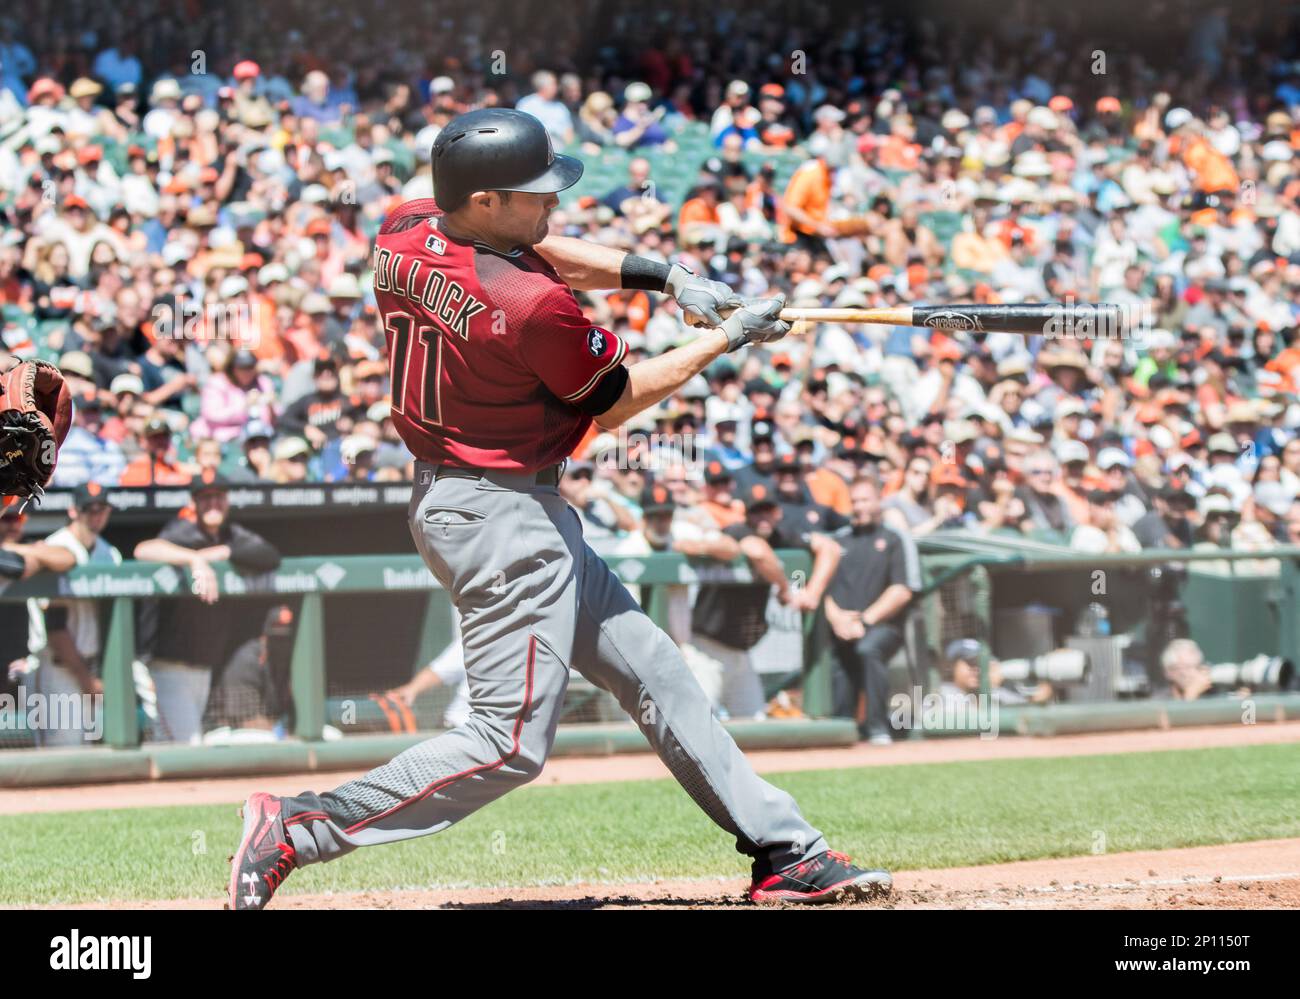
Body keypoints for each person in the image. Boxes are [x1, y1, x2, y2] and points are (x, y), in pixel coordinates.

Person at [229, 108, 890, 911]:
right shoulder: (533, 306)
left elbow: (539, 252)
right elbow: (613, 403)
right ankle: (299, 827)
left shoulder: (404, 228)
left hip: (477, 500)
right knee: (507, 742)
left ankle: (788, 851)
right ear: (482, 202)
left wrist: (668, 279)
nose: (553, 204)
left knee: (656, 671)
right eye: (534, 192)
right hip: (500, 515)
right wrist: (725, 340)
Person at [134, 471, 281, 745]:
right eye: (206, 498)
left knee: (174, 747)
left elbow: (270, 555)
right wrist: (194, 560)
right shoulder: (183, 531)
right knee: (185, 747)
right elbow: (143, 550)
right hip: (166, 667)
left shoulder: (230, 535)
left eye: (218, 497)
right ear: (195, 503)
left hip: (203, 667)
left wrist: (223, 553)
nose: (213, 503)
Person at [690, 482, 841, 720]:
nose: (762, 518)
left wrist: (813, 592)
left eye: (767, 511)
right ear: (746, 514)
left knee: (756, 721)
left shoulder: (780, 535)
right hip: (707, 649)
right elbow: (756, 550)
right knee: (697, 723)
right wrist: (784, 587)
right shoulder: (737, 530)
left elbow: (830, 548)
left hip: (741, 653)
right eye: (756, 511)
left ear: (777, 512)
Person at [823, 477, 921, 745]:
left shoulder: (895, 538)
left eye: (865, 499)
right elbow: (820, 587)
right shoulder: (837, 540)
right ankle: (842, 729)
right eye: (854, 501)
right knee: (839, 657)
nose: (859, 506)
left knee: (868, 648)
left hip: (884, 626)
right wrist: (836, 618)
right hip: (842, 625)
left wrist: (864, 621)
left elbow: (902, 590)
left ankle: (878, 728)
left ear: (879, 501)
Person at [24, 483, 121, 746]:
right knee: (59, 758)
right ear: (74, 511)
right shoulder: (55, 549)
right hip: (57, 668)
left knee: (87, 759)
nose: (97, 515)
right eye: (90, 509)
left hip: (89, 668)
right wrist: (86, 679)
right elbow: (54, 625)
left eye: (102, 509)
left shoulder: (109, 554)